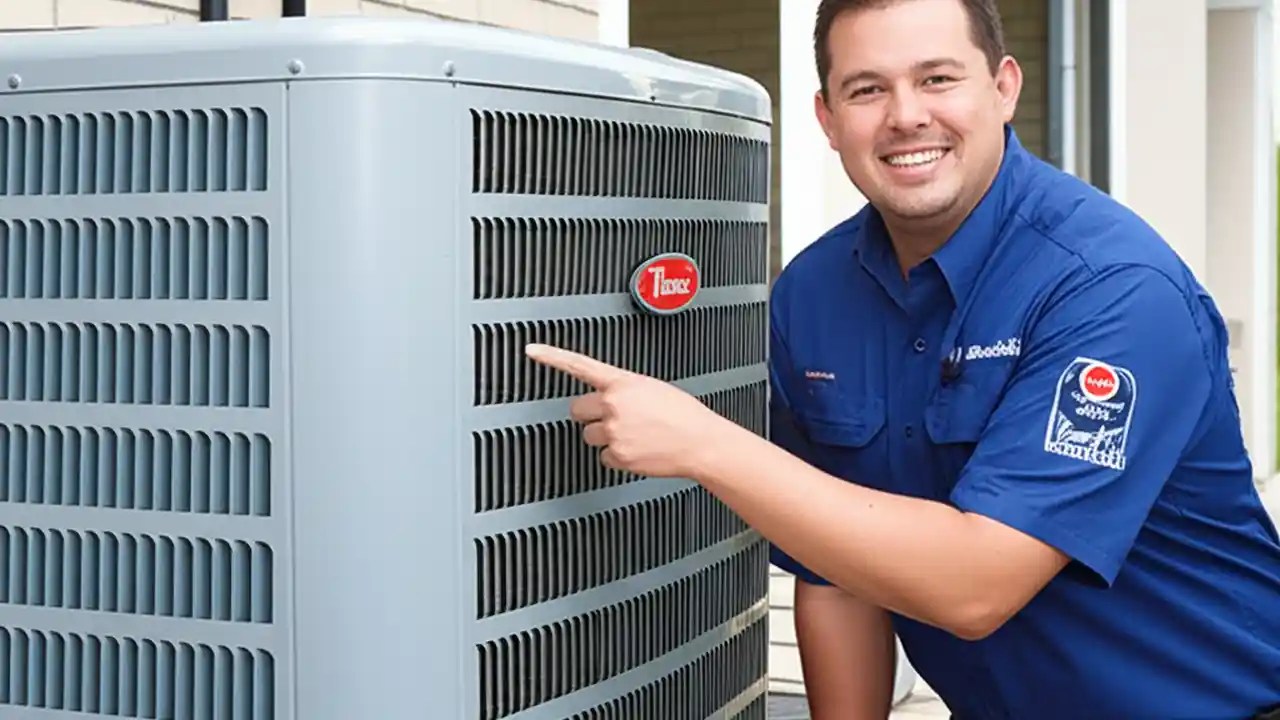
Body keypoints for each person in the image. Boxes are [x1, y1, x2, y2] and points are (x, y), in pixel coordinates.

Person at [525, 0, 1280, 717]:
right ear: (826, 118)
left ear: (1003, 87)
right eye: (866, 89)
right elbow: (841, 574)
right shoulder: (813, 295)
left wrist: (705, 444)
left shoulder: (1111, 290)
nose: (906, 114)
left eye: (937, 78)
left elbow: (977, 585)